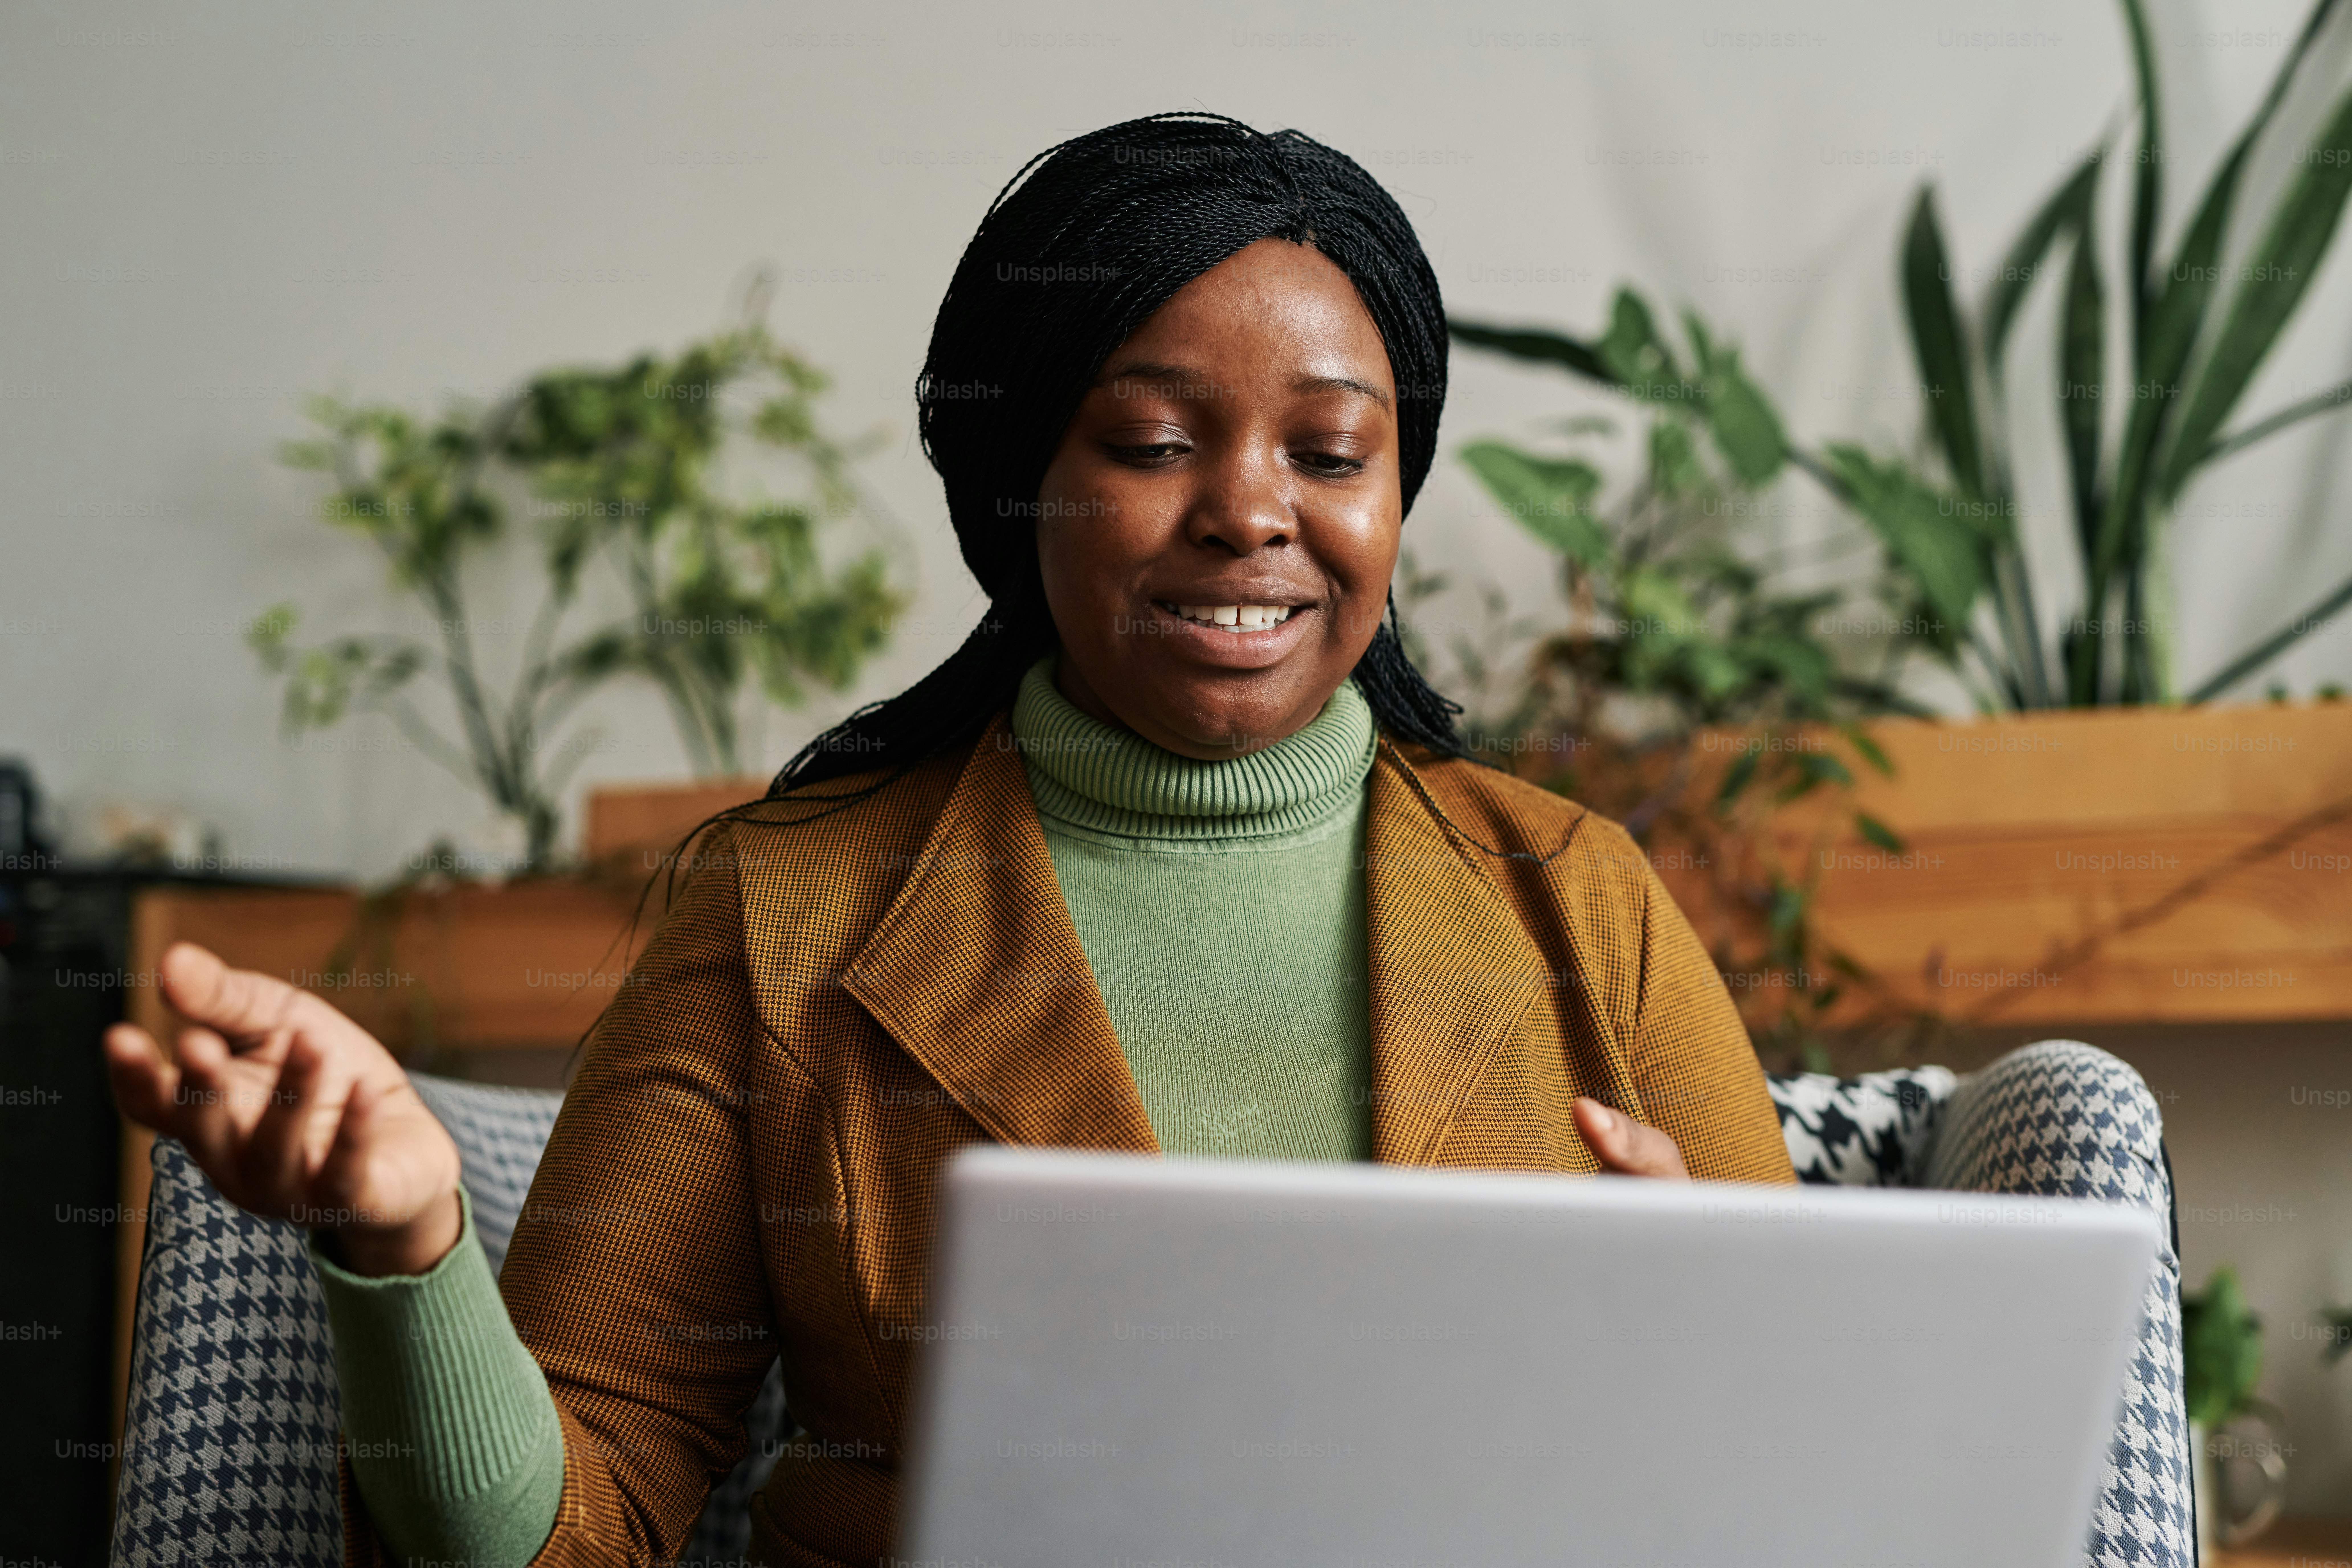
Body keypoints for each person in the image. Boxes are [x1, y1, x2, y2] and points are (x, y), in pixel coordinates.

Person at [105, 112, 1795, 1568]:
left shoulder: (1580, 902)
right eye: (1150, 442)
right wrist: (404, 1252)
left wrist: (1705, 1363)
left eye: (1332, 451)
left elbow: (1828, 1484)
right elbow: (576, 1528)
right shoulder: (781, 910)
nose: (1252, 510)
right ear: (1020, 487)